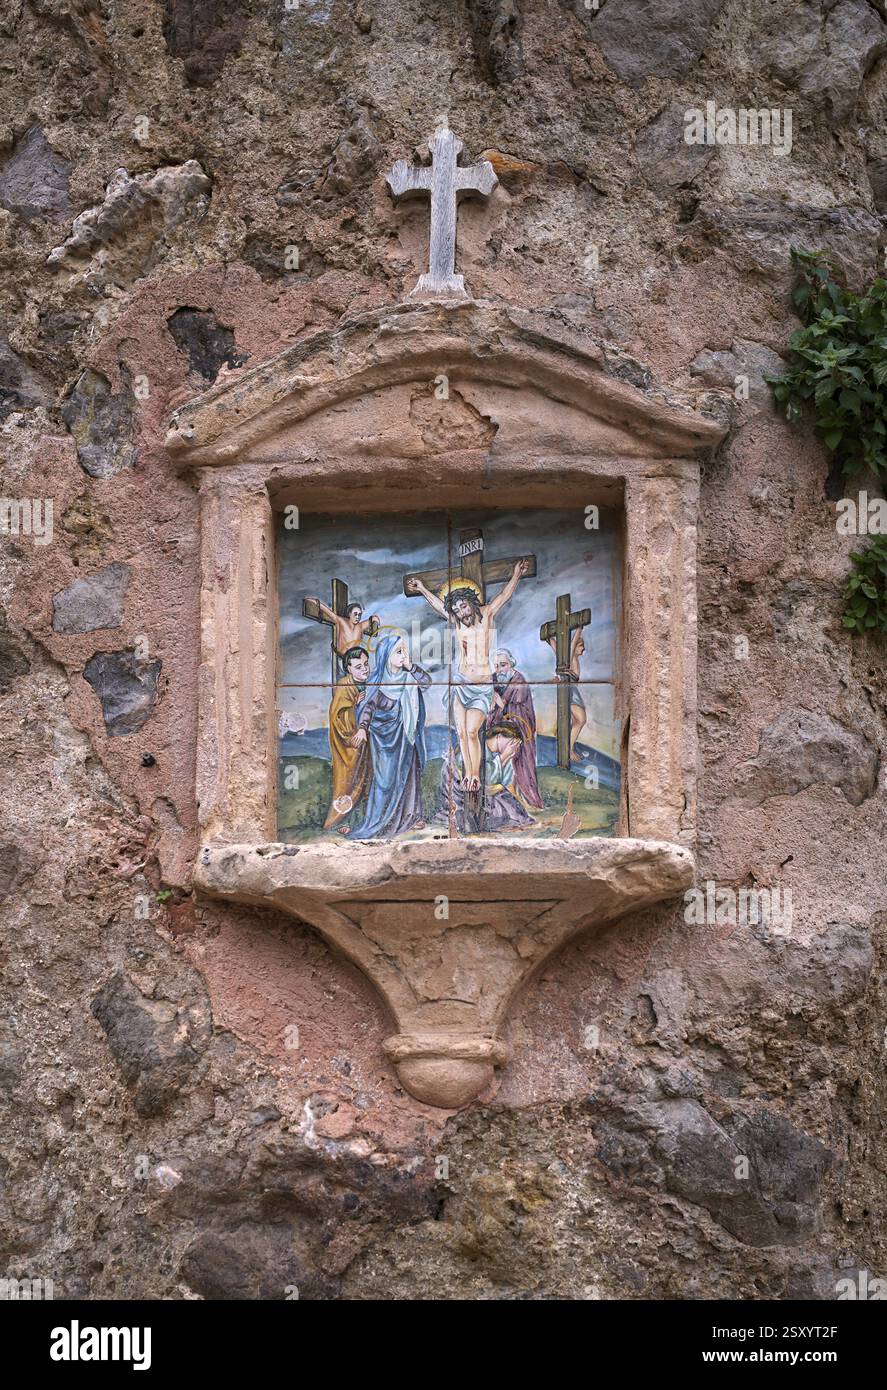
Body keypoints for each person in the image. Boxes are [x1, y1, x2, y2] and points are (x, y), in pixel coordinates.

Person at [405, 558, 531, 793]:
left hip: (481, 686)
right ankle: (468, 775)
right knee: (462, 733)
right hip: (461, 683)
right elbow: (438, 606)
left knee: (473, 731)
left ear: (471, 603)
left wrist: (516, 575)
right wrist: (422, 588)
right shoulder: (457, 622)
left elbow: (504, 595)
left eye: (463, 607)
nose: (460, 612)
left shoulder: (487, 614)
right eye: (456, 610)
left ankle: (475, 774)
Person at [347, 633, 431, 839]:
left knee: (409, 775)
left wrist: (411, 666)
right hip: (383, 740)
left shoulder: (408, 677)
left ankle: (410, 815)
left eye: (405, 651)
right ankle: (379, 820)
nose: (404, 656)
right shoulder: (377, 682)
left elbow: (427, 682)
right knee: (384, 781)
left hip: (406, 736)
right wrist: (362, 728)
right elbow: (368, 708)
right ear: (386, 655)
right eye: (399, 652)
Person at [439, 720, 535, 832]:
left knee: (505, 798)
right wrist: (503, 757)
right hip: (462, 793)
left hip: (483, 791)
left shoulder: (501, 754)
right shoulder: (477, 747)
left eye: (516, 745)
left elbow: (502, 782)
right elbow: (484, 777)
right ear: (499, 736)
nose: (514, 747)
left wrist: (505, 759)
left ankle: (522, 821)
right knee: (499, 805)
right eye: (512, 742)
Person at [488, 648, 543, 808]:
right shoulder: (493, 679)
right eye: (496, 666)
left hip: (517, 732)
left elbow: (520, 712)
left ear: (511, 664)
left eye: (503, 665)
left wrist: (501, 704)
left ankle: (525, 800)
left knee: (516, 765)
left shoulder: (519, 682)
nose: (499, 670)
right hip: (497, 733)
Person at [323, 646, 370, 832]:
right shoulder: (344, 686)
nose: (364, 669)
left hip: (364, 743)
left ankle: (360, 821)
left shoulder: (368, 683)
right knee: (347, 783)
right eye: (358, 667)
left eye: (366, 664)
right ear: (349, 669)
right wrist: (355, 705)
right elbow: (337, 716)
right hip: (348, 746)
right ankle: (338, 822)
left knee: (365, 782)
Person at [547, 627, 588, 764]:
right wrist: (579, 629)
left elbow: (557, 650)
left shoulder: (570, 658)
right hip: (571, 692)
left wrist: (550, 640)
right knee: (581, 720)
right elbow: (572, 643)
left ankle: (568, 747)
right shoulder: (570, 657)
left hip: (572, 690)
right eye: (581, 646)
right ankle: (569, 750)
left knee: (578, 721)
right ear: (575, 647)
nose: (583, 649)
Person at [304, 597, 380, 662]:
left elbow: (374, 618)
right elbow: (326, 610)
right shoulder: (341, 621)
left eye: (359, 614)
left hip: (354, 659)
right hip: (341, 658)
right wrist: (315, 602)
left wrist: (376, 621)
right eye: (355, 614)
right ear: (349, 614)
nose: (358, 617)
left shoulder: (360, 626)